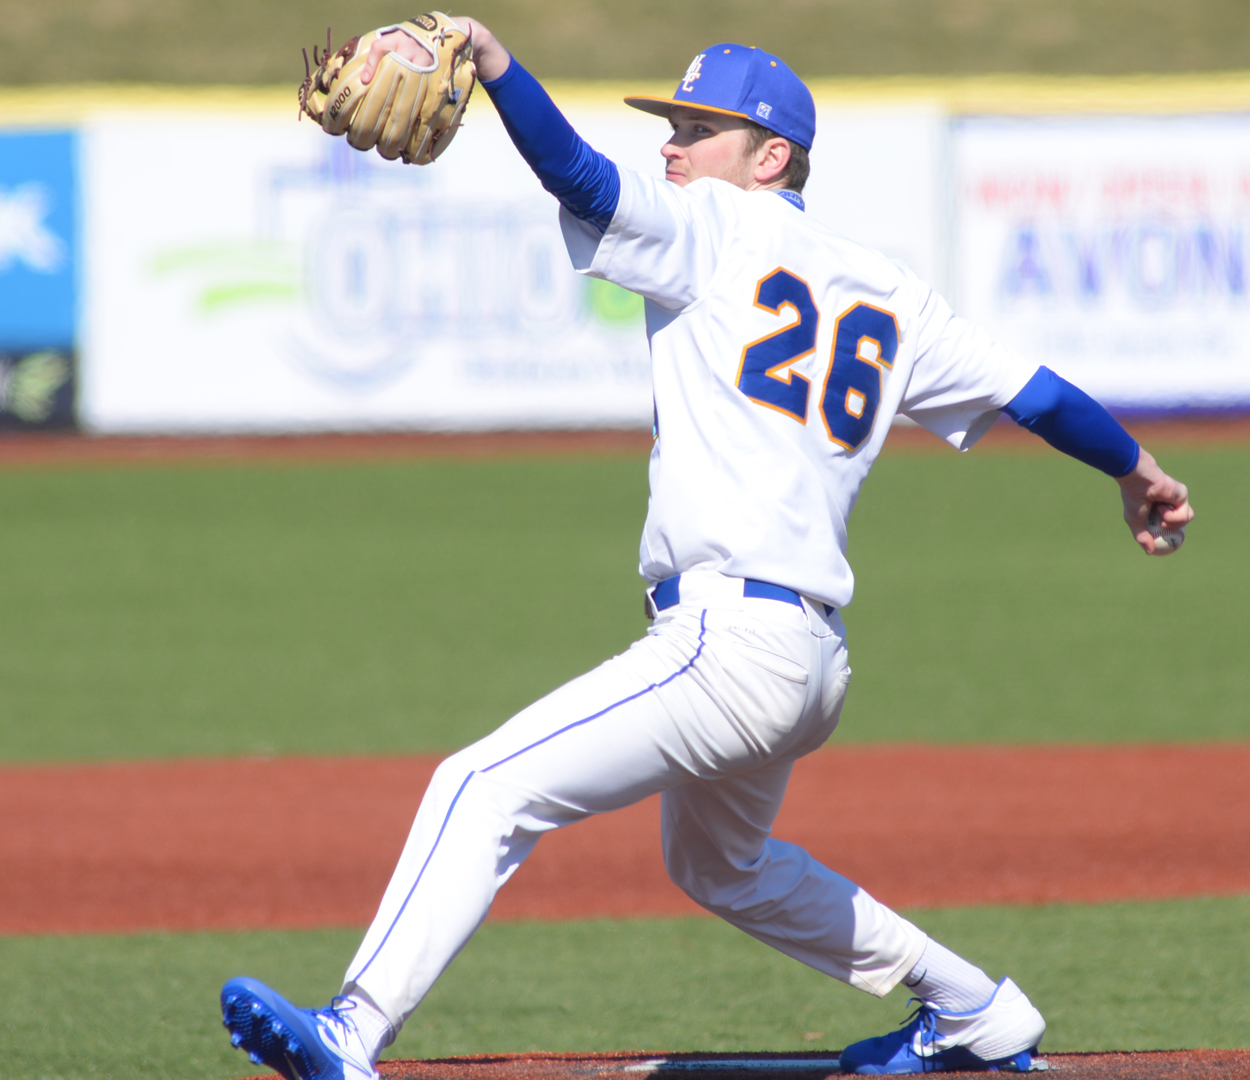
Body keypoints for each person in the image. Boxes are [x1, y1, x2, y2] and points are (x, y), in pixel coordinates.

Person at [222, 18, 1194, 1080]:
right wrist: (1136, 468)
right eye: (673, 126)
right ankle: (974, 1009)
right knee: (720, 865)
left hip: (728, 643)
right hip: (808, 656)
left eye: (698, 127)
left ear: (770, 157)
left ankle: (351, 1034)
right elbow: (1039, 395)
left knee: (481, 787)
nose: (672, 146)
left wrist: (495, 65)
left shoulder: (715, 230)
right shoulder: (891, 291)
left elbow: (581, 178)